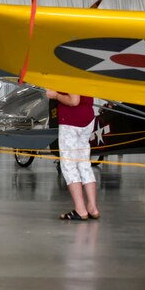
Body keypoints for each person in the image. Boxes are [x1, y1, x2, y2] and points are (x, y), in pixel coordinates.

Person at [47, 90, 99, 220]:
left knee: (69, 165)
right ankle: (92, 207)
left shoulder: (68, 73)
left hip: (71, 121)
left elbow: (74, 100)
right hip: (87, 119)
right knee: (84, 163)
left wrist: (55, 95)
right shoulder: (85, 71)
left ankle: (80, 209)